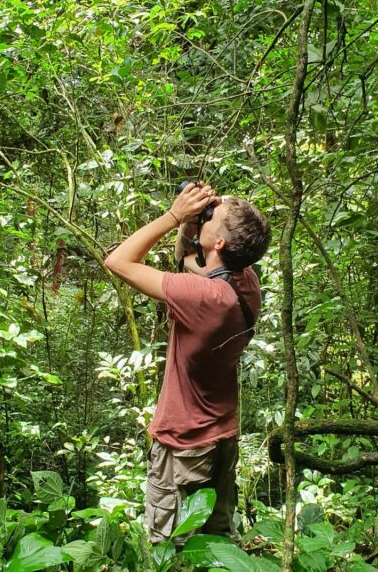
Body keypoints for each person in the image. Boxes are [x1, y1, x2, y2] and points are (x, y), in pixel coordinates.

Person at [103, 181, 271, 544]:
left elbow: (117, 261)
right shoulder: (246, 282)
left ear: (220, 243)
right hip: (222, 435)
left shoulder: (204, 297)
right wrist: (192, 223)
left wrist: (174, 215)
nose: (208, 214)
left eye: (213, 215)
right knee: (216, 539)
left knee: (171, 544)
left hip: (185, 444)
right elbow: (186, 262)